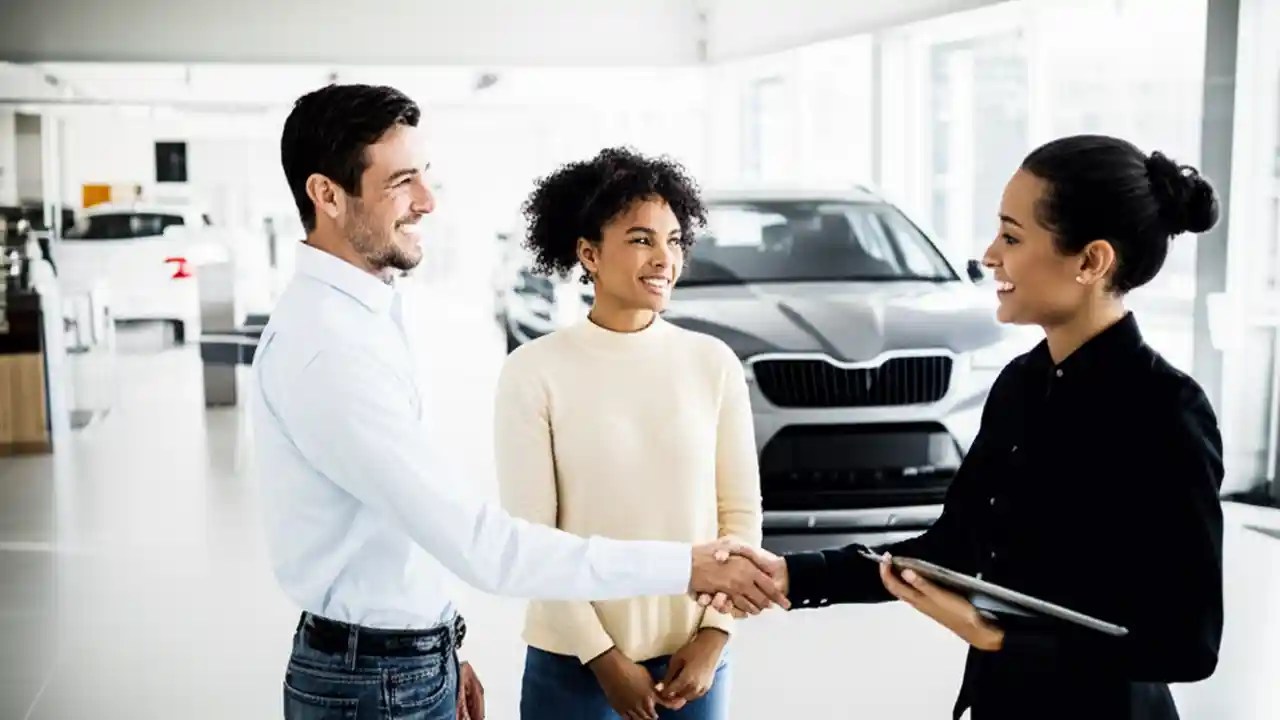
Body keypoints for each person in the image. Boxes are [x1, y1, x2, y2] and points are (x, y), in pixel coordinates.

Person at [251, 84, 788, 720]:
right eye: (402, 181)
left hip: (400, 666)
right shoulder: (329, 351)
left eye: (426, 176)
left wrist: (443, 650)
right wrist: (688, 567)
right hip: (377, 682)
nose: (427, 201)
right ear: (327, 195)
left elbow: (401, 523)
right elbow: (492, 548)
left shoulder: (365, 319)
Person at [713, 134, 1226, 720]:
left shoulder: (1167, 411)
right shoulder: (1020, 384)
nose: (989, 255)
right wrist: (789, 574)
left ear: (1091, 261)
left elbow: (1187, 645)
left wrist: (1000, 639)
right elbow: (951, 548)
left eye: (1011, 236)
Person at [494, 147, 761, 720]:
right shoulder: (534, 371)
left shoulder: (712, 363)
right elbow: (534, 541)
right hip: (574, 666)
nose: (664, 257)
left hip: (695, 667)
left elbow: (738, 516)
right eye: (641, 239)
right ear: (588, 254)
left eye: (674, 240)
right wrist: (604, 660)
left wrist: (715, 637)